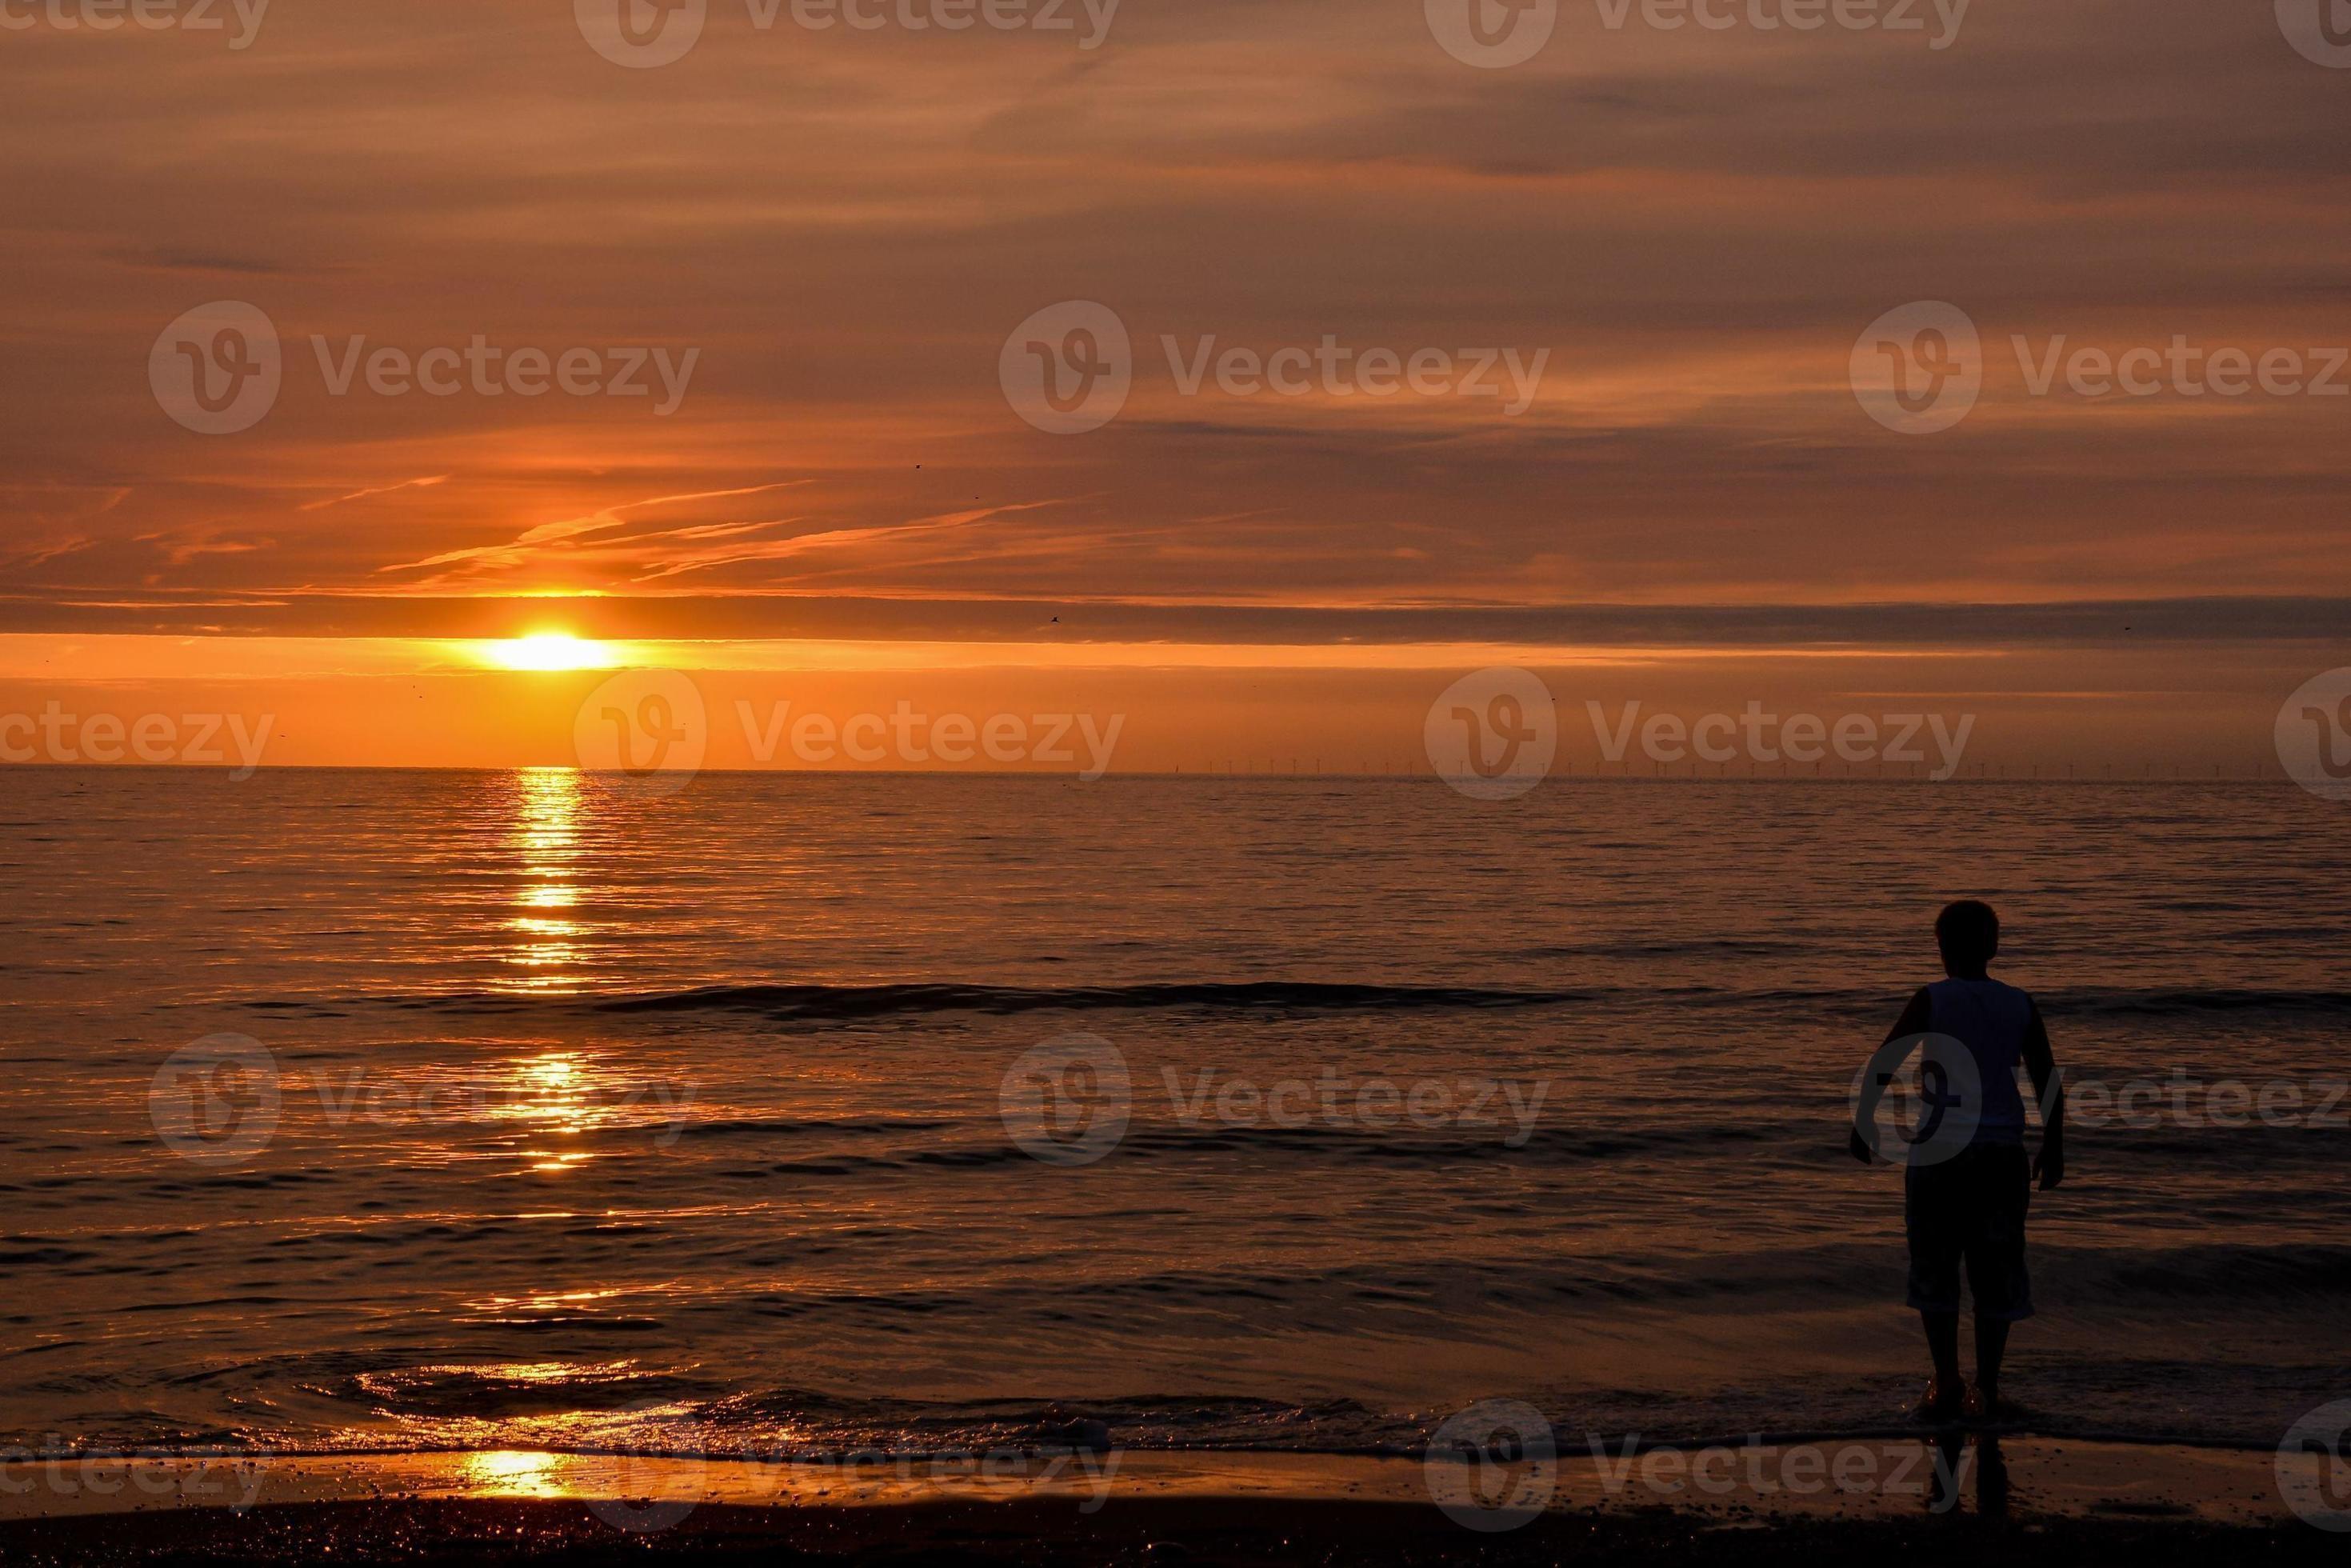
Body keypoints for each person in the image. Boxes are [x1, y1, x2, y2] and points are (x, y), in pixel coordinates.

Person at [1850, 899, 2065, 1422]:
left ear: (1941, 949)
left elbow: (1885, 1061)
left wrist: (1862, 1123)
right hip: (2000, 1155)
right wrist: (2054, 1143)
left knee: (1935, 1266)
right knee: (1996, 1269)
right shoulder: (2018, 1003)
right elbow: (2046, 1078)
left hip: (1939, 1155)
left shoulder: (1932, 999)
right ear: (1993, 947)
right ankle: (1986, 1386)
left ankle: (1946, 1378)